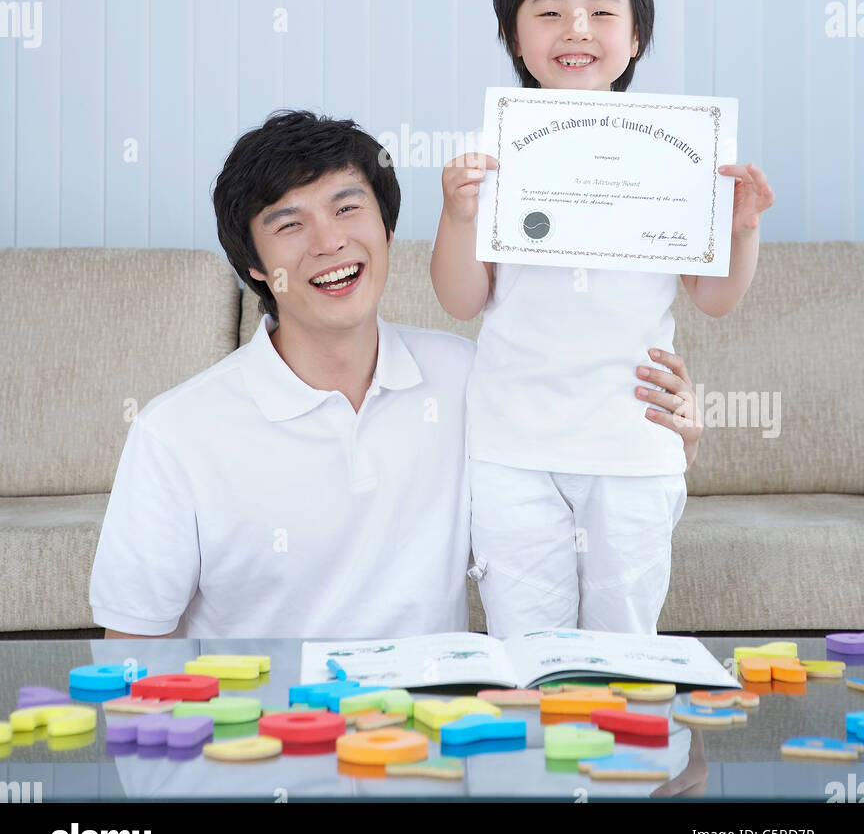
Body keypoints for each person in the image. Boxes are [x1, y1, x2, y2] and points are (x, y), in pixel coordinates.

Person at [89, 106, 704, 641]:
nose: (329, 242)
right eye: (290, 224)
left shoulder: (470, 379)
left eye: (347, 208)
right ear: (253, 265)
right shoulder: (175, 433)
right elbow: (136, 651)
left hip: (426, 747)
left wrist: (670, 431)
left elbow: (580, 486)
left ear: (387, 229)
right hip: (261, 748)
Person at [430, 0, 774, 638]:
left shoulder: (681, 154)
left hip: (633, 437)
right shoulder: (490, 154)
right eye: (549, 12)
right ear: (516, 40)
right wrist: (457, 216)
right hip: (512, 444)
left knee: (624, 647)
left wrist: (741, 229)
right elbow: (462, 300)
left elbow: (714, 301)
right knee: (527, 647)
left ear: (636, 36)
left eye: (601, 11)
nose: (576, 29)